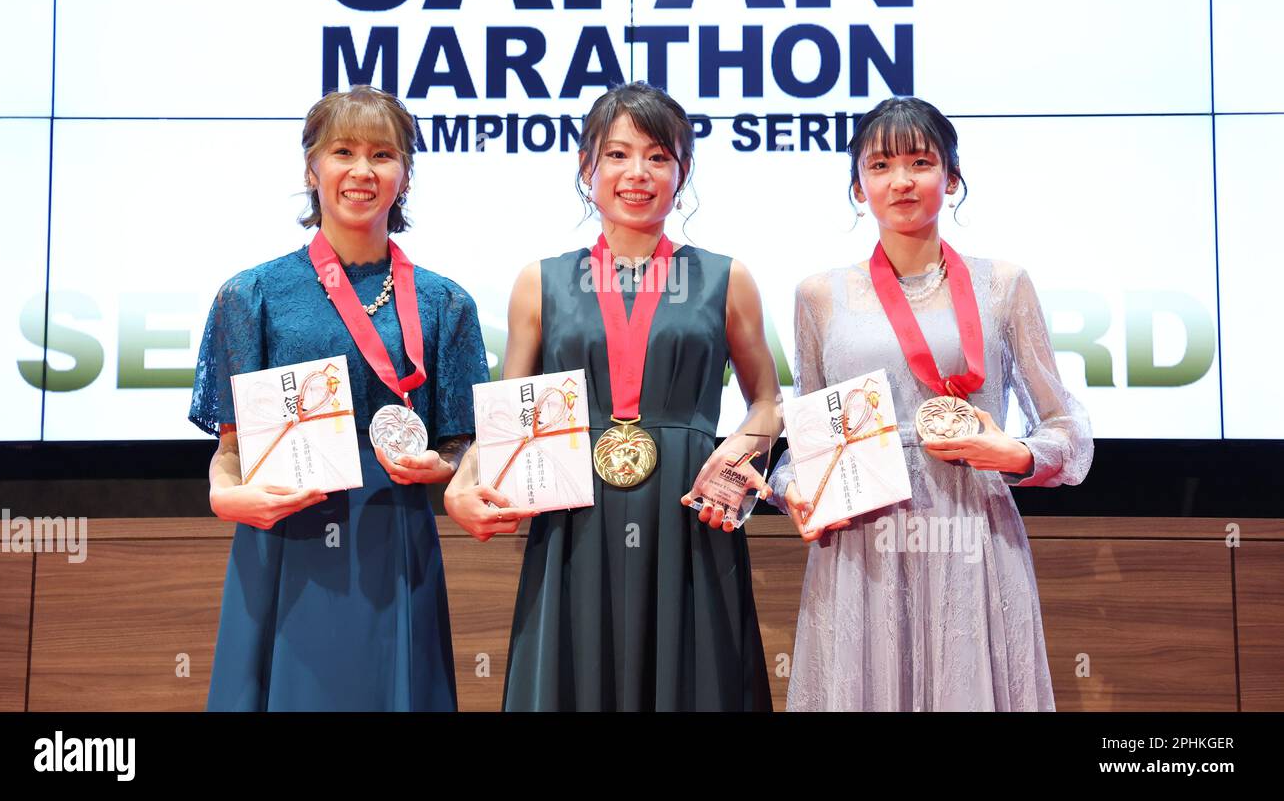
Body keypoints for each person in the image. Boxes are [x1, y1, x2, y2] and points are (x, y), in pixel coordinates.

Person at [444, 82, 781, 711]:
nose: (638, 173)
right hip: (575, 516)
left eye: (658, 156)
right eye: (618, 154)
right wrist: (463, 484)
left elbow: (767, 402)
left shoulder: (725, 277)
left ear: (683, 172)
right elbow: (503, 416)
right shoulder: (539, 282)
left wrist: (742, 448)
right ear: (586, 166)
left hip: (689, 509)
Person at [768, 96, 1093, 711]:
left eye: (920, 162)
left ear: (951, 178)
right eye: (881, 165)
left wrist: (1020, 453)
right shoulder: (819, 295)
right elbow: (808, 436)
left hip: (971, 525)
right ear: (858, 188)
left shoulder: (1004, 283)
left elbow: (1066, 423)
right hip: (863, 536)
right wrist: (792, 488)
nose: (901, 181)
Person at [189, 85, 489, 710]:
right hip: (284, 536)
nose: (362, 170)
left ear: (404, 176)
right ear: (311, 169)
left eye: (383, 154)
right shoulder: (252, 296)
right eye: (343, 151)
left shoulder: (446, 303)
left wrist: (446, 467)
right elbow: (231, 450)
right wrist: (225, 496)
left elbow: (461, 446)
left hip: (393, 538)